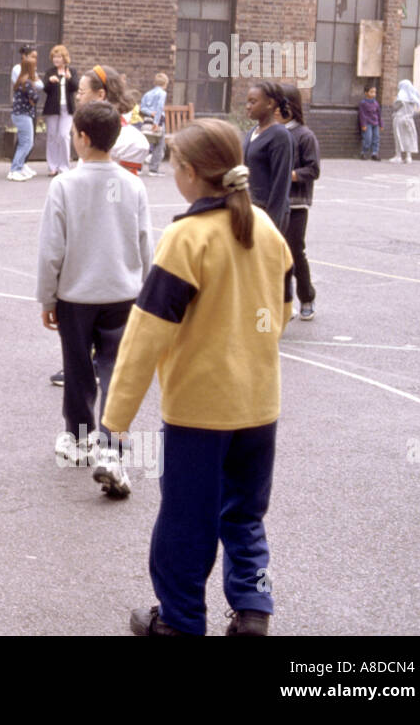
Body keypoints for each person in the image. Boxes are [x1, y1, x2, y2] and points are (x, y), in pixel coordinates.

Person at [103, 119, 292, 637]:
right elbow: (284, 309)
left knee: (187, 520)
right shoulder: (265, 228)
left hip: (199, 410)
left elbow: (146, 336)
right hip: (259, 404)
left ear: (188, 173)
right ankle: (253, 609)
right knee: (246, 515)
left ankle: (182, 622)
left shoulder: (186, 237)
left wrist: (116, 417)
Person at [37, 101, 152, 496]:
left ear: (82, 138)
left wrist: (46, 297)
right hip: (123, 292)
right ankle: (112, 447)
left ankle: (79, 438)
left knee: (77, 367)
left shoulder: (65, 184)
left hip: (75, 295)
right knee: (116, 372)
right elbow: (144, 243)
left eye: (73, 134)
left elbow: (52, 248)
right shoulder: (133, 184)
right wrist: (147, 290)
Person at [278, 84, 320, 321]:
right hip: (271, 204)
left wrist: (288, 175)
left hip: (295, 204)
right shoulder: (269, 133)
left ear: (289, 106)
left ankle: (306, 296)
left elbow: (313, 169)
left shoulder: (304, 136)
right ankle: (284, 301)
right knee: (275, 253)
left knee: (294, 251)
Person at [76, 66, 149, 174]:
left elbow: (116, 188)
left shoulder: (129, 139)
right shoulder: (90, 128)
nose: (78, 97)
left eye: (82, 92)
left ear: (101, 94)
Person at [242, 82, 293, 234]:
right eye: (247, 102)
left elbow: (281, 183)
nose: (248, 106)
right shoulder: (252, 132)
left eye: (253, 102)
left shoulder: (280, 136)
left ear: (270, 103)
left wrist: (272, 224)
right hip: (250, 209)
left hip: (267, 214)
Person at [41, 45, 79, 177]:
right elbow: (44, 88)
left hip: (66, 109)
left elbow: (76, 87)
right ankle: (53, 167)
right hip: (52, 108)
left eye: (58, 57)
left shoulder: (71, 71)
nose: (56, 59)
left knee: (63, 136)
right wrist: (50, 82)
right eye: (54, 57)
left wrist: (69, 78)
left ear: (64, 58)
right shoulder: (50, 72)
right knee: (52, 136)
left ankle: (64, 167)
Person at [8, 46, 43, 181]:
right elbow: (35, 97)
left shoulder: (22, 82)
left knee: (26, 142)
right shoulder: (27, 83)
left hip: (21, 114)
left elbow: (40, 87)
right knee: (26, 143)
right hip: (23, 114)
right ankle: (15, 169)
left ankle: (19, 166)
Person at [139, 73, 169, 176]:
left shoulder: (147, 94)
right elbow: (160, 108)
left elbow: (142, 108)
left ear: (154, 83)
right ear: (165, 83)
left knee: (144, 144)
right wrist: (156, 122)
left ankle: (138, 167)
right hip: (158, 122)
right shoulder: (162, 93)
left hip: (147, 121)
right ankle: (153, 169)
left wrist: (150, 113)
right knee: (159, 145)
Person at [392, 79, 420, 164]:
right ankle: (408, 157)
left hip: (399, 119)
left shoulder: (401, 98)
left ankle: (398, 156)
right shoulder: (413, 99)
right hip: (409, 120)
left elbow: (395, 107)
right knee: (408, 138)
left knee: (398, 137)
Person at [358, 83, 383, 161]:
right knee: (368, 138)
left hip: (375, 123)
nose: (373, 94)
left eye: (374, 92)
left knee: (376, 138)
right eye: (371, 92)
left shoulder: (376, 103)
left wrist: (381, 124)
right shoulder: (363, 103)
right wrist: (363, 124)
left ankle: (374, 153)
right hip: (367, 123)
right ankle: (364, 152)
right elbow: (362, 115)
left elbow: (379, 114)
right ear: (366, 93)